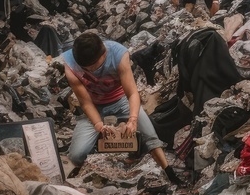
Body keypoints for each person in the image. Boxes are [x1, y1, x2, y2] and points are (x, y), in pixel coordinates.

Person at [64, 33, 170, 172]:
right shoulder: (70, 65)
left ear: (104, 54)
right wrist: (98, 125)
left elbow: (132, 93)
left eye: (95, 67)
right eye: (87, 69)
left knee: (151, 138)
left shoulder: (118, 54)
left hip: (121, 101)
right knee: (77, 156)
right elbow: (86, 103)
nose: (91, 71)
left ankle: (168, 171)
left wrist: (133, 119)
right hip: (95, 107)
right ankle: (102, 144)